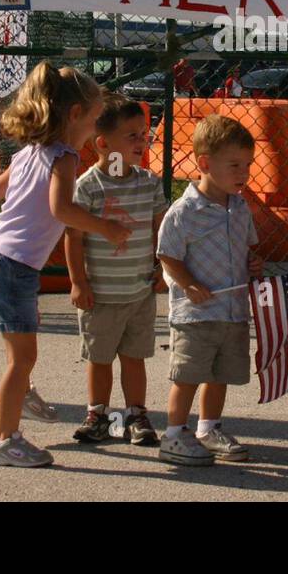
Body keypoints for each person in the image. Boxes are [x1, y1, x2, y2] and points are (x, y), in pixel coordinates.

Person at [0, 62, 130, 467]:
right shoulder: (64, 158)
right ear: (75, 116)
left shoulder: (28, 154)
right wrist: (104, 227)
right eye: (96, 116)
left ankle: (20, 396)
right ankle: (4, 441)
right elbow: (61, 209)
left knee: (20, 355)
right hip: (12, 268)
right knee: (21, 360)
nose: (98, 125)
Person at [155, 114, 263, 465]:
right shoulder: (184, 211)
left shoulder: (241, 207)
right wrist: (188, 283)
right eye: (234, 165)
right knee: (188, 374)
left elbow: (249, 248)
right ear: (204, 163)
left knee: (220, 374)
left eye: (247, 165)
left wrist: (253, 264)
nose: (243, 173)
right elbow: (167, 255)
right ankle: (173, 434)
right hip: (196, 313)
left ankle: (208, 428)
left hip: (232, 310)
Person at [65, 95, 170, 446]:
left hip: (139, 292)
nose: (142, 141)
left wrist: (161, 267)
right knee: (99, 358)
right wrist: (78, 282)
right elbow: (74, 237)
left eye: (144, 134)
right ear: (102, 144)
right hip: (101, 295)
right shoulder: (88, 187)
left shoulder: (149, 183)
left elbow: (161, 230)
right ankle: (100, 416)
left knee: (135, 357)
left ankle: (136, 415)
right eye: (132, 136)